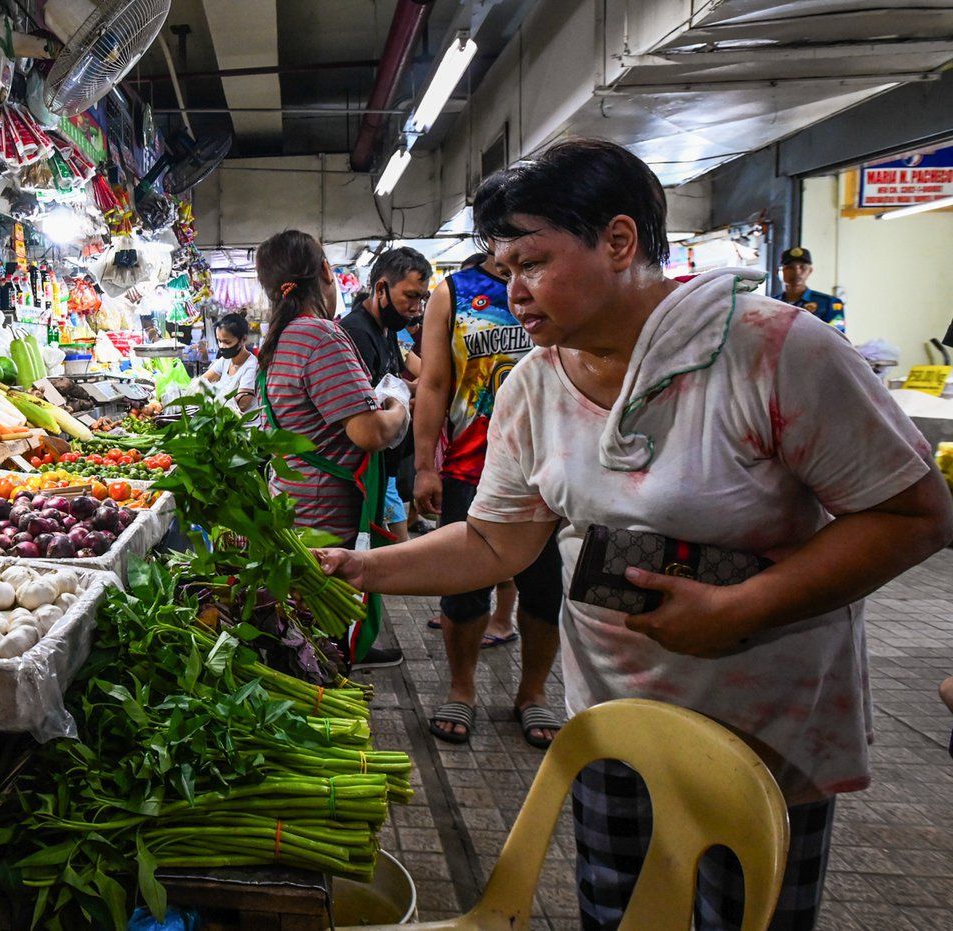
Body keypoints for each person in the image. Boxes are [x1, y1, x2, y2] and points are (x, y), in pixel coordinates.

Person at [316, 138, 953, 930]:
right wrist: (358, 569)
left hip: (761, 728)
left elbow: (914, 512)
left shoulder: (773, 351)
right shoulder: (535, 387)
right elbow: (493, 544)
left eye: (533, 261)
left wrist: (747, 605)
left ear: (619, 242)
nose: (512, 290)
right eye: (503, 267)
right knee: (617, 912)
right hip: (613, 717)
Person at [413, 249, 565, 747]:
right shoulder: (453, 293)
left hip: (554, 467)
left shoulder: (560, 280)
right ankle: (461, 688)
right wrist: (423, 466)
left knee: (545, 587)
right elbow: (434, 382)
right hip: (471, 465)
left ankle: (533, 694)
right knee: (463, 586)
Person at [255, 229, 408, 668]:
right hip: (327, 516)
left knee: (303, 631)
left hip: (294, 506)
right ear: (326, 271)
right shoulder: (320, 336)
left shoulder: (277, 340)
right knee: (323, 636)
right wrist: (399, 405)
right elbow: (370, 432)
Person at [341, 247, 433, 543]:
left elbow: (392, 386)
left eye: (422, 298)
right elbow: (369, 411)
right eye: (410, 296)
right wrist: (404, 406)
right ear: (382, 288)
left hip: (383, 466)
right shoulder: (357, 334)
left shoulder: (387, 329)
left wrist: (426, 392)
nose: (417, 307)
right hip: (360, 472)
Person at [775, 246, 845, 332]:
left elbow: (838, 337)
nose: (797, 272)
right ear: (779, 272)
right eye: (790, 267)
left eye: (802, 267)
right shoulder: (771, 303)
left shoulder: (830, 303)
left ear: (810, 271)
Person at [200, 313, 258, 411]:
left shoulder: (251, 365)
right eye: (219, 341)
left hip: (244, 424)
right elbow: (201, 383)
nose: (222, 346)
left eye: (227, 342)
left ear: (243, 339)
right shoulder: (225, 360)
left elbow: (242, 403)